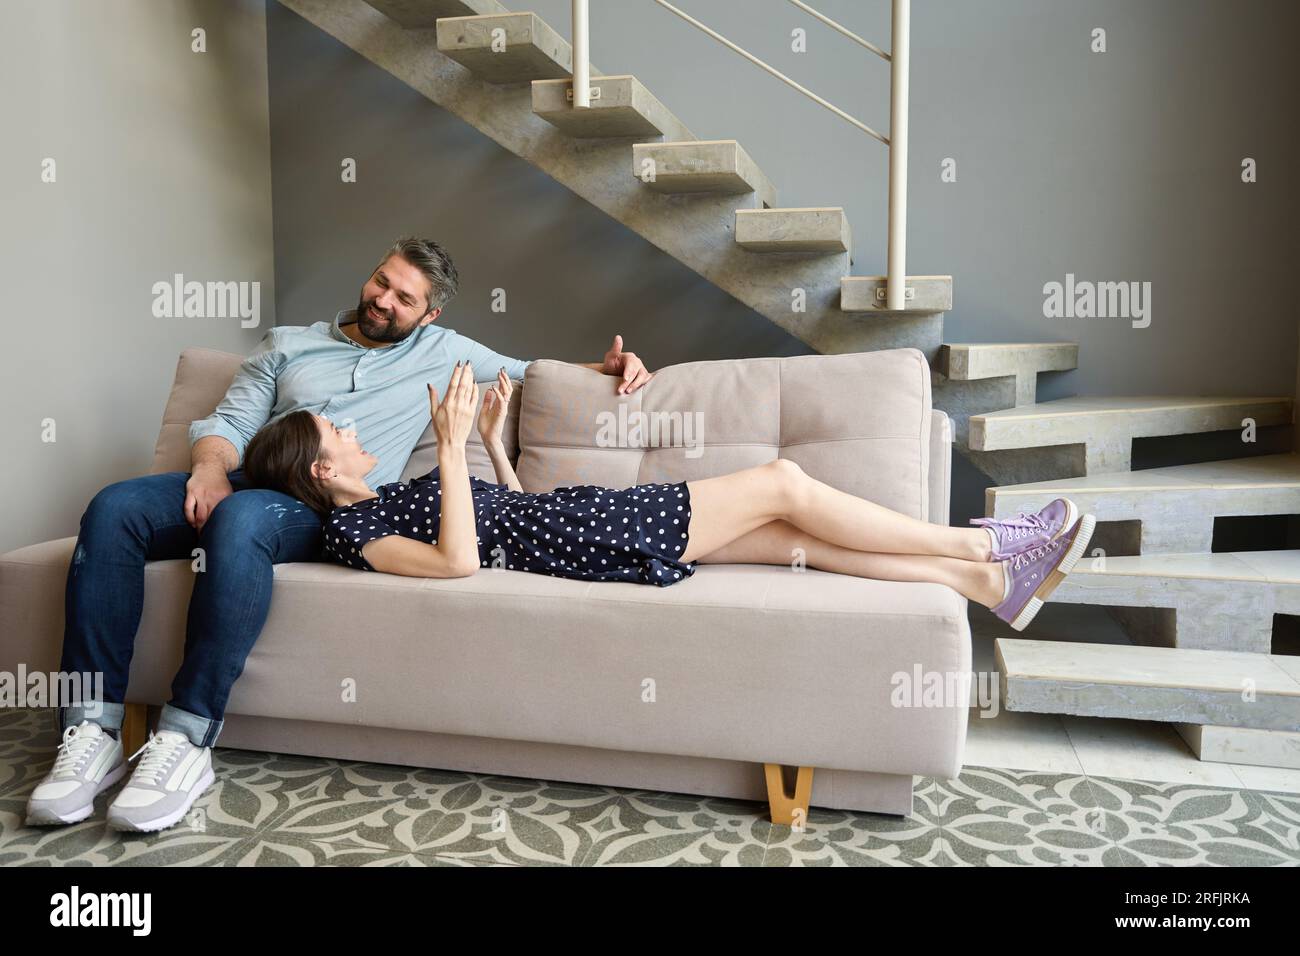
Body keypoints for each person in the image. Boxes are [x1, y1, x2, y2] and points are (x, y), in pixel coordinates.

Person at [26, 237, 657, 833]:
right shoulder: (288, 344)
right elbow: (232, 419)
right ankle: (91, 732)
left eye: (404, 298)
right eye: (382, 281)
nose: (383, 300)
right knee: (114, 506)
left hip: (322, 506)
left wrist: (608, 366)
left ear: (429, 314)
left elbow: (533, 373)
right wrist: (212, 468)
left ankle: (187, 736)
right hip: (249, 477)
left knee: (243, 519)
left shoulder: (446, 351)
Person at [242, 359, 1096, 632]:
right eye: (336, 432)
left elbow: (497, 518)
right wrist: (458, 448)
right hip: (593, 536)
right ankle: (986, 544)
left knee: (815, 548)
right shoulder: (352, 533)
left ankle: (988, 587)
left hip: (567, 518)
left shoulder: (388, 492)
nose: (351, 433)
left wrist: (493, 447)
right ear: (319, 469)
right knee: (783, 482)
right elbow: (461, 563)